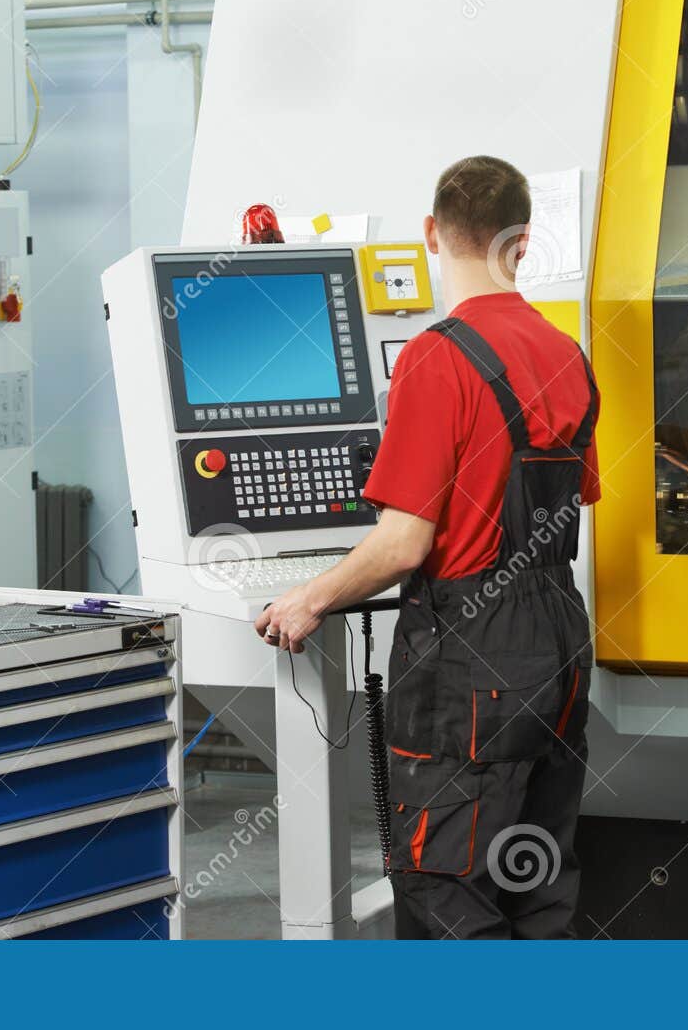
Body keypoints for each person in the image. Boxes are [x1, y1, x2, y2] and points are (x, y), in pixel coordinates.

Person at [254, 154, 601, 939]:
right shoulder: (567, 357)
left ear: (430, 234)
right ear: (523, 240)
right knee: (536, 878)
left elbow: (404, 544)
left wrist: (309, 598)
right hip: (559, 641)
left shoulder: (436, 357)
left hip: (469, 658)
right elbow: (566, 501)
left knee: (444, 881)